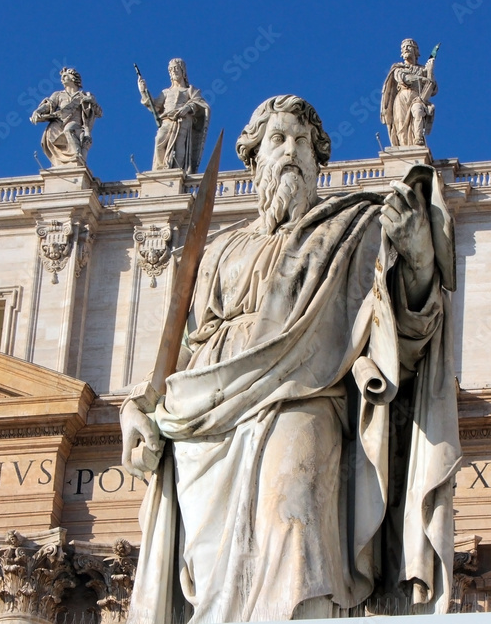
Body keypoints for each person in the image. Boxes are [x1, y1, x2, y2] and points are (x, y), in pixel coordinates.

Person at [121, 95, 459, 623]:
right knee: (209, 568)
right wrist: (139, 407)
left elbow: (408, 334)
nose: (292, 152)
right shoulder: (219, 251)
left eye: (303, 142)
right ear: (254, 158)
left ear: (319, 160)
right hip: (206, 418)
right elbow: (182, 351)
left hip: (307, 396)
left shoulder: (353, 231)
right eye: (278, 140)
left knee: (296, 521)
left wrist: (416, 255)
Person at [139, 58, 210, 174]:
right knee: (159, 141)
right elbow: (154, 107)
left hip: (183, 121)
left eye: (177, 68)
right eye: (171, 70)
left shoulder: (190, 90)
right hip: (167, 120)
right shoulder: (166, 92)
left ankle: (178, 171)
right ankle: (161, 169)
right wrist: (143, 91)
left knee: (179, 146)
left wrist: (187, 108)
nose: (174, 71)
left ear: (183, 71)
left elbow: (200, 104)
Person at [30, 67, 102, 167]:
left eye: (65, 76)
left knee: (68, 130)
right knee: (50, 132)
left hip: (75, 123)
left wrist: (91, 102)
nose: (62, 79)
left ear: (73, 78)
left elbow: (99, 112)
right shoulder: (58, 95)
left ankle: (76, 157)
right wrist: (37, 111)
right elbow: (48, 105)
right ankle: (60, 164)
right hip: (59, 121)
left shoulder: (84, 95)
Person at [381, 39, 437, 147]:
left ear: (416, 51)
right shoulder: (398, 68)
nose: (405, 49)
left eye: (408, 47)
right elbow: (404, 79)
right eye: (403, 48)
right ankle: (405, 148)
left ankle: (418, 140)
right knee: (401, 125)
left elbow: (433, 89)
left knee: (418, 112)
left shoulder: (424, 69)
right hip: (402, 97)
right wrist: (423, 78)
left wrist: (430, 71)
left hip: (418, 98)